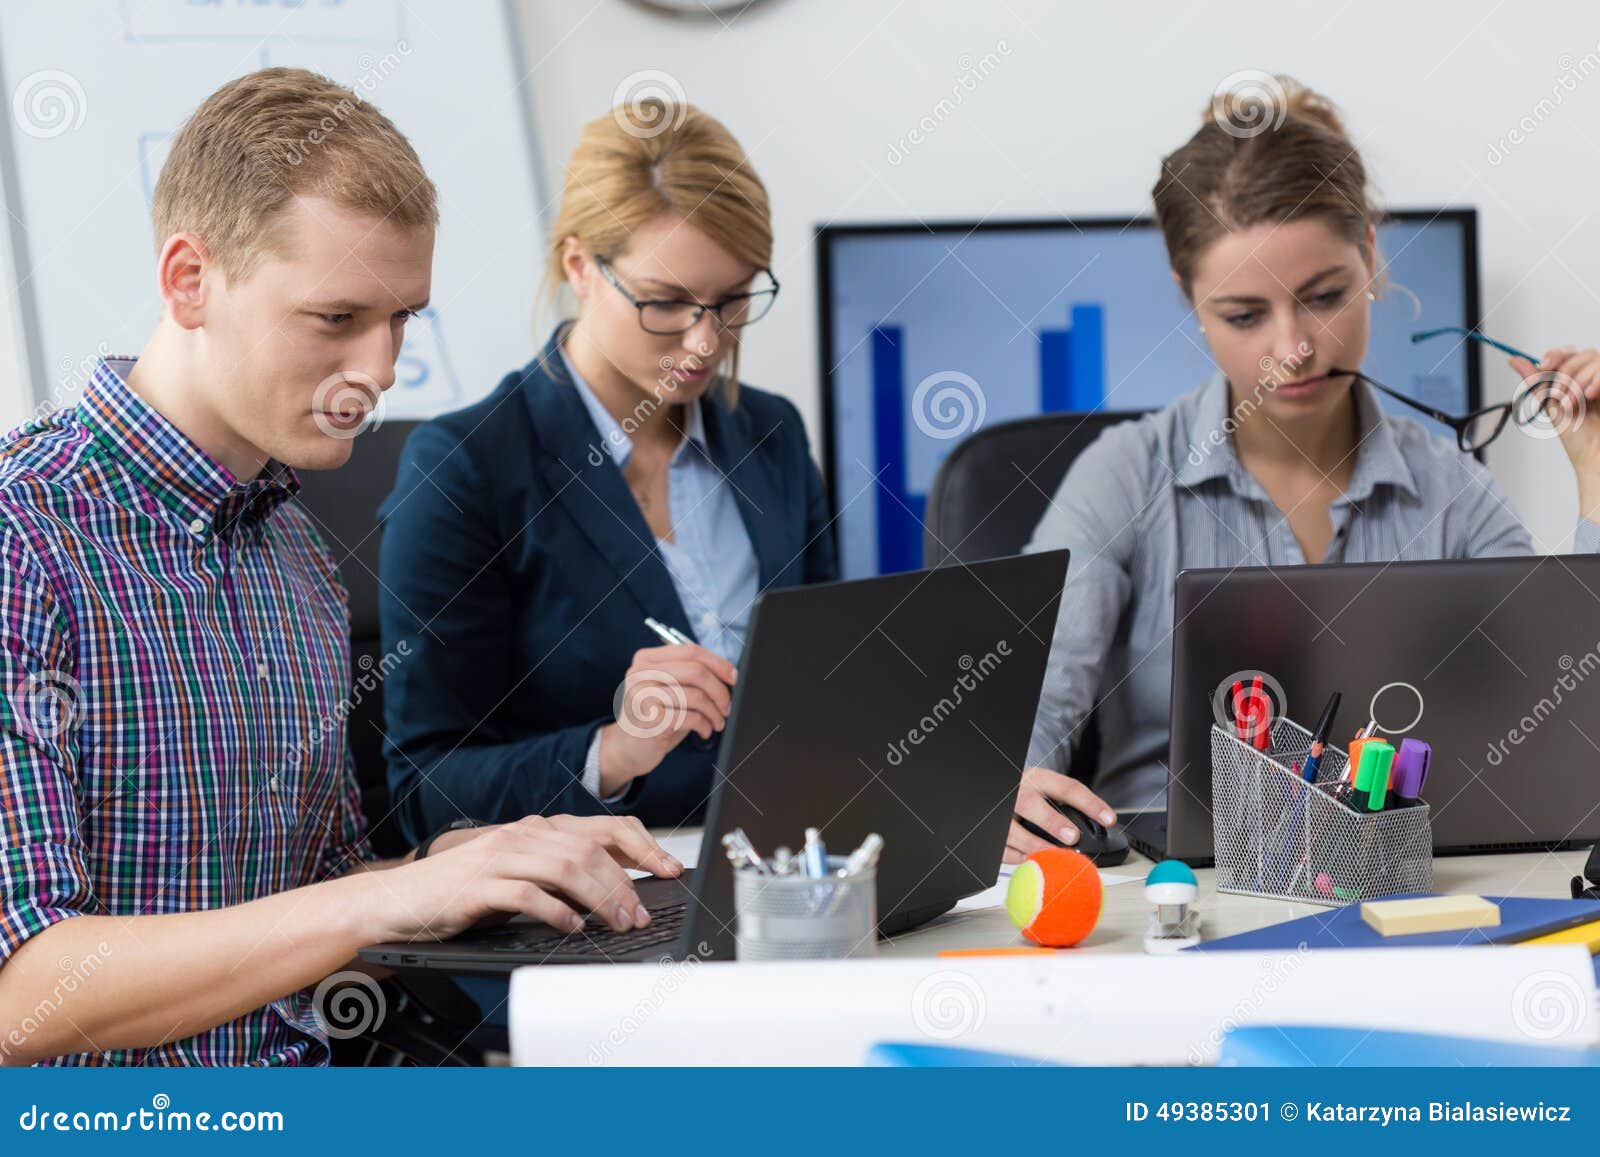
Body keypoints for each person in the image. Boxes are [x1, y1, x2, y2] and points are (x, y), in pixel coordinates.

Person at [0, 69, 680, 1067]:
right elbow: (22, 996)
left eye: (402, 317)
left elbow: (320, 891)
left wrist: (468, 864)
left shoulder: (294, 547)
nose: (379, 368)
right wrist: (392, 891)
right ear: (190, 281)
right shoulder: (24, 536)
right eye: (335, 318)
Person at [1007, 76, 1600, 862]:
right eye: (1245, 315)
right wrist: (999, 779)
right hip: (1168, 905)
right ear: (1190, 299)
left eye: (1323, 296)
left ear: (1370, 259)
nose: (1293, 348)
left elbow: (1567, 736)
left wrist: (1596, 471)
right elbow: (1021, 719)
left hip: (1399, 893)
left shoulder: (1453, 491)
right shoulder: (1127, 475)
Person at [378, 101, 836, 843]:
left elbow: (828, 689)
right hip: (591, 913)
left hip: (779, 867)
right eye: (666, 303)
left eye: (732, 300)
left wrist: (961, 782)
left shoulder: (770, 435)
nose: (704, 341)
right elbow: (424, 795)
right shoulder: (466, 470)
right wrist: (614, 751)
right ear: (580, 266)